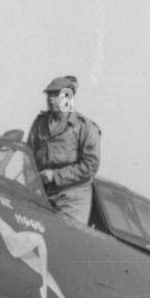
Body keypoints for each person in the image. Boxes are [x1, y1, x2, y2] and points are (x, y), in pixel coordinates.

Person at [26, 75, 101, 223]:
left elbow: (90, 165)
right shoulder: (40, 123)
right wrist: (32, 184)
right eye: (49, 95)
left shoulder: (85, 128)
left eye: (55, 95)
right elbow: (28, 157)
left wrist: (56, 176)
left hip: (72, 199)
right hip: (42, 193)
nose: (50, 99)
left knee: (64, 237)